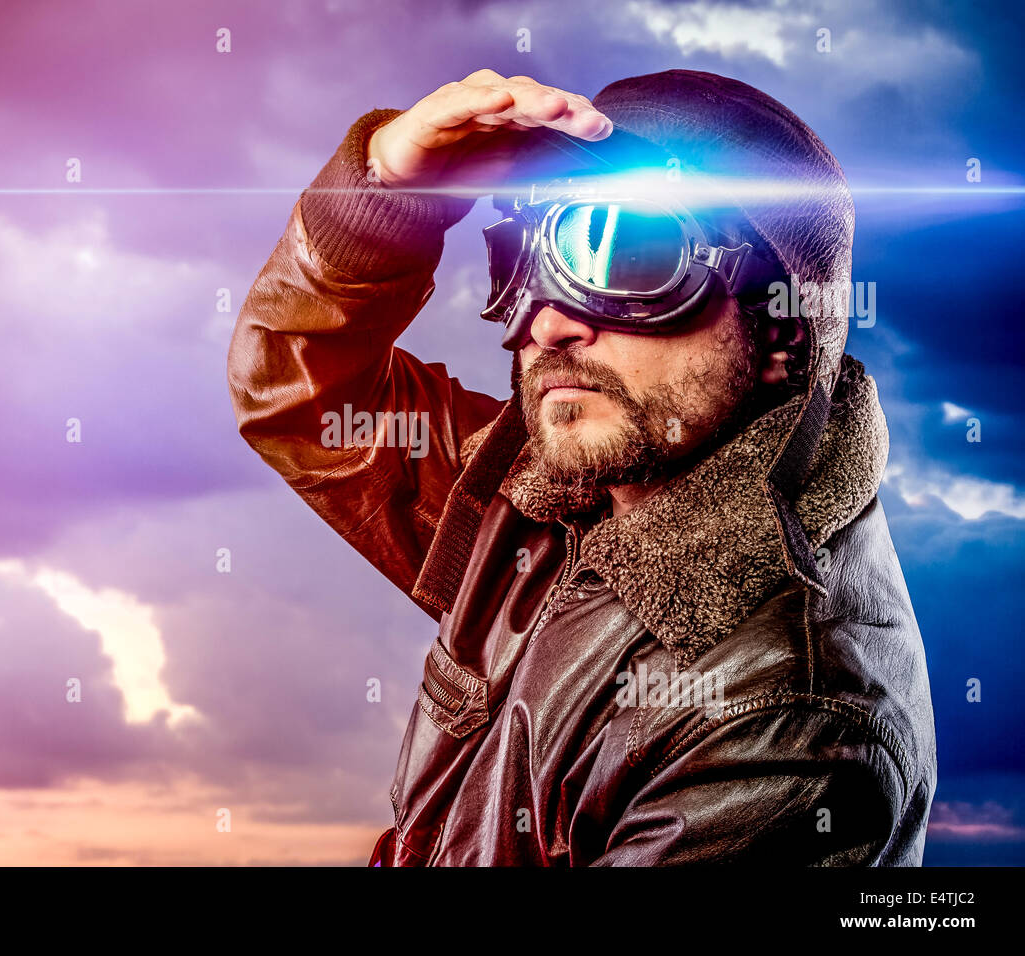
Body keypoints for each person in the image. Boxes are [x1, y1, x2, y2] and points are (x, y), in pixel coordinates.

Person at [228, 68, 936, 865]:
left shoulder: (785, 729)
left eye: (628, 256)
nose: (550, 320)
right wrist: (389, 194)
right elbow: (303, 400)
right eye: (525, 262)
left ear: (782, 331)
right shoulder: (546, 502)